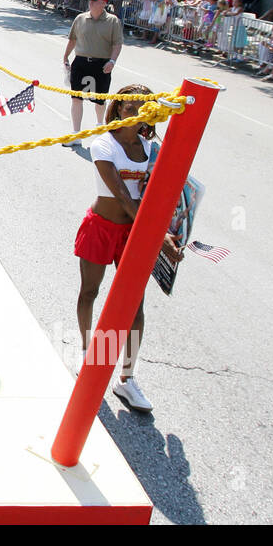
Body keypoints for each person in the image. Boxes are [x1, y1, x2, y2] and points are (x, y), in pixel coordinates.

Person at [74, 84, 182, 413]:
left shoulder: (152, 147)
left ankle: (127, 378)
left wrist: (173, 231)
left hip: (133, 233)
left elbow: (161, 194)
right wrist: (158, 234)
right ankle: (86, 355)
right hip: (102, 227)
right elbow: (122, 194)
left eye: (142, 108)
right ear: (119, 109)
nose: (134, 114)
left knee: (135, 306)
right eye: (129, 107)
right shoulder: (102, 143)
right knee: (90, 293)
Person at [62, 0, 123, 143]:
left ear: (103, 3)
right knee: (76, 98)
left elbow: (117, 44)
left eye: (94, 0)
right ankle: (76, 134)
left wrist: (112, 61)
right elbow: (72, 40)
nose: (91, 2)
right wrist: (65, 56)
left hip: (102, 64)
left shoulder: (112, 21)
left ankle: (99, 126)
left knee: (100, 99)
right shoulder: (80, 18)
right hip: (81, 61)